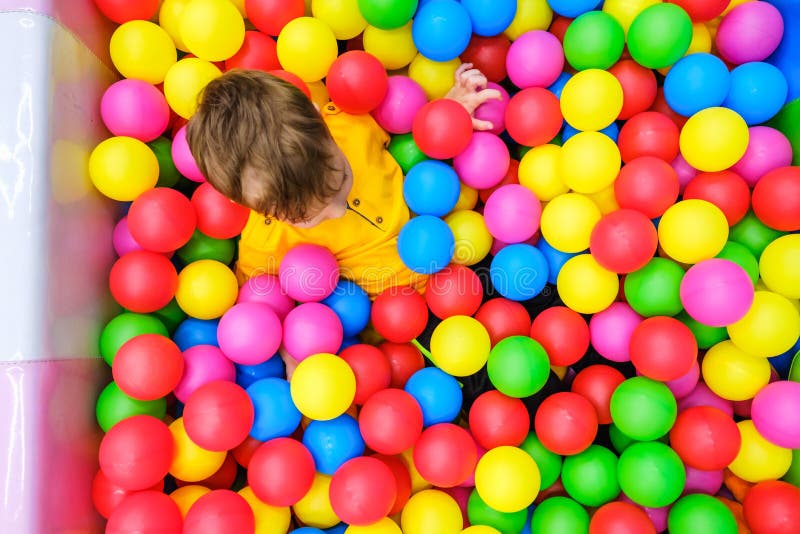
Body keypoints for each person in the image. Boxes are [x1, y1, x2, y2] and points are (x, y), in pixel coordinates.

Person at [186, 64, 501, 298]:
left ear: (320, 118)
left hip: (465, 247)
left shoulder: (351, 124)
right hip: (397, 318)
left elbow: (417, 135)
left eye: (339, 182)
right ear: (243, 203)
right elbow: (261, 301)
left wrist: (450, 115)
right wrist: (290, 348)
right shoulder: (264, 242)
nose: (337, 210)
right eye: (306, 216)